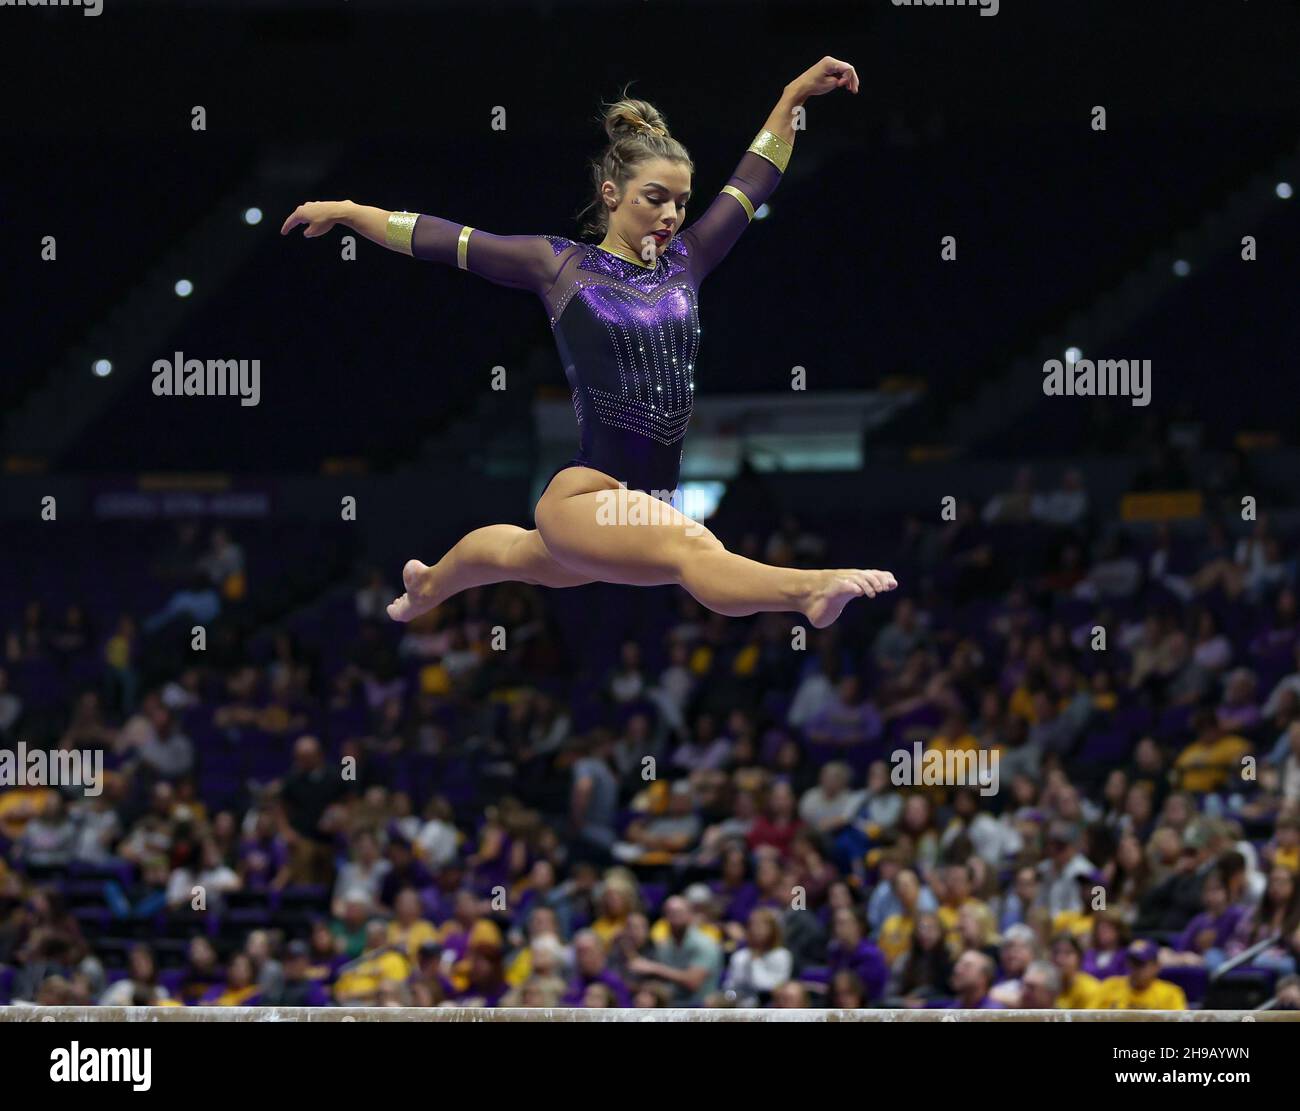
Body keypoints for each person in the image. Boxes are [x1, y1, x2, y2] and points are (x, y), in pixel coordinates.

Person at [283, 59, 897, 630]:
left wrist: (792, 96)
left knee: (518, 551)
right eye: (654, 198)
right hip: (588, 496)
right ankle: (807, 590)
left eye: (681, 202)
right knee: (695, 548)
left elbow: (754, 179)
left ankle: (430, 585)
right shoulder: (560, 266)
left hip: (638, 506)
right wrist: (350, 208)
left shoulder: (690, 259)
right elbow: (442, 238)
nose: (670, 216)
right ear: (612, 195)